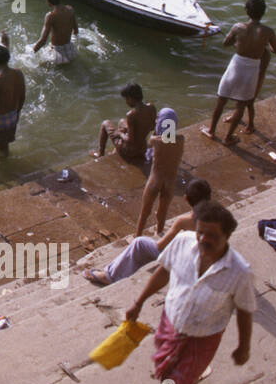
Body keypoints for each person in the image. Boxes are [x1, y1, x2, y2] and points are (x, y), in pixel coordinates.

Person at [125, 201, 255, 384]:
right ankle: (188, 380)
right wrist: (138, 302)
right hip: (170, 326)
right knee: (169, 380)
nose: (204, 239)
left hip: (201, 338)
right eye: (201, 232)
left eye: (212, 235)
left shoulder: (239, 272)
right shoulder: (183, 242)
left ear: (227, 235)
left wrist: (243, 347)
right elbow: (163, 271)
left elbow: (245, 311)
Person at [83, 179, 212, 285]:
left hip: (185, 264)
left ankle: (109, 276)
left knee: (139, 243)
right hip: (202, 261)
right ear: (209, 197)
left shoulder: (184, 221)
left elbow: (159, 246)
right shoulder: (218, 216)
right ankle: (111, 271)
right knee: (144, 245)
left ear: (186, 199)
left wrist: (156, 238)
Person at [203, 0, 276, 146]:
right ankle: (228, 137)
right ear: (263, 13)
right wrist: (264, 46)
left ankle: (211, 130)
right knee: (241, 104)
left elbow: (226, 43)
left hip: (236, 65)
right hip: (252, 68)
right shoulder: (268, 32)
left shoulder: (238, 27)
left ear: (247, 11)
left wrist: (237, 42)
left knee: (221, 100)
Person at [137, 107, 185, 235]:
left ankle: (137, 237)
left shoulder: (155, 141)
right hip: (169, 182)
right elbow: (170, 140)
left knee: (144, 213)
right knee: (162, 212)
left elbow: (147, 147)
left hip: (155, 181)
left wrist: (155, 130)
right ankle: (159, 233)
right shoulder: (181, 139)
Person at [92, 82, 156, 163]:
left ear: (130, 98)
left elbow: (130, 140)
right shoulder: (151, 107)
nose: (126, 102)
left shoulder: (131, 115)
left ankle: (100, 154)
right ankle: (116, 150)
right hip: (143, 149)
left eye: (126, 99)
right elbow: (153, 127)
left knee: (105, 123)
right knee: (122, 122)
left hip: (129, 151)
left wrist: (119, 133)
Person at [31, 0, 79, 64]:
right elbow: (76, 31)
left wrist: (31, 53)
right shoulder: (70, 9)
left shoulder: (50, 16)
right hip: (71, 51)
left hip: (57, 55)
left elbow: (43, 41)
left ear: (48, 1)